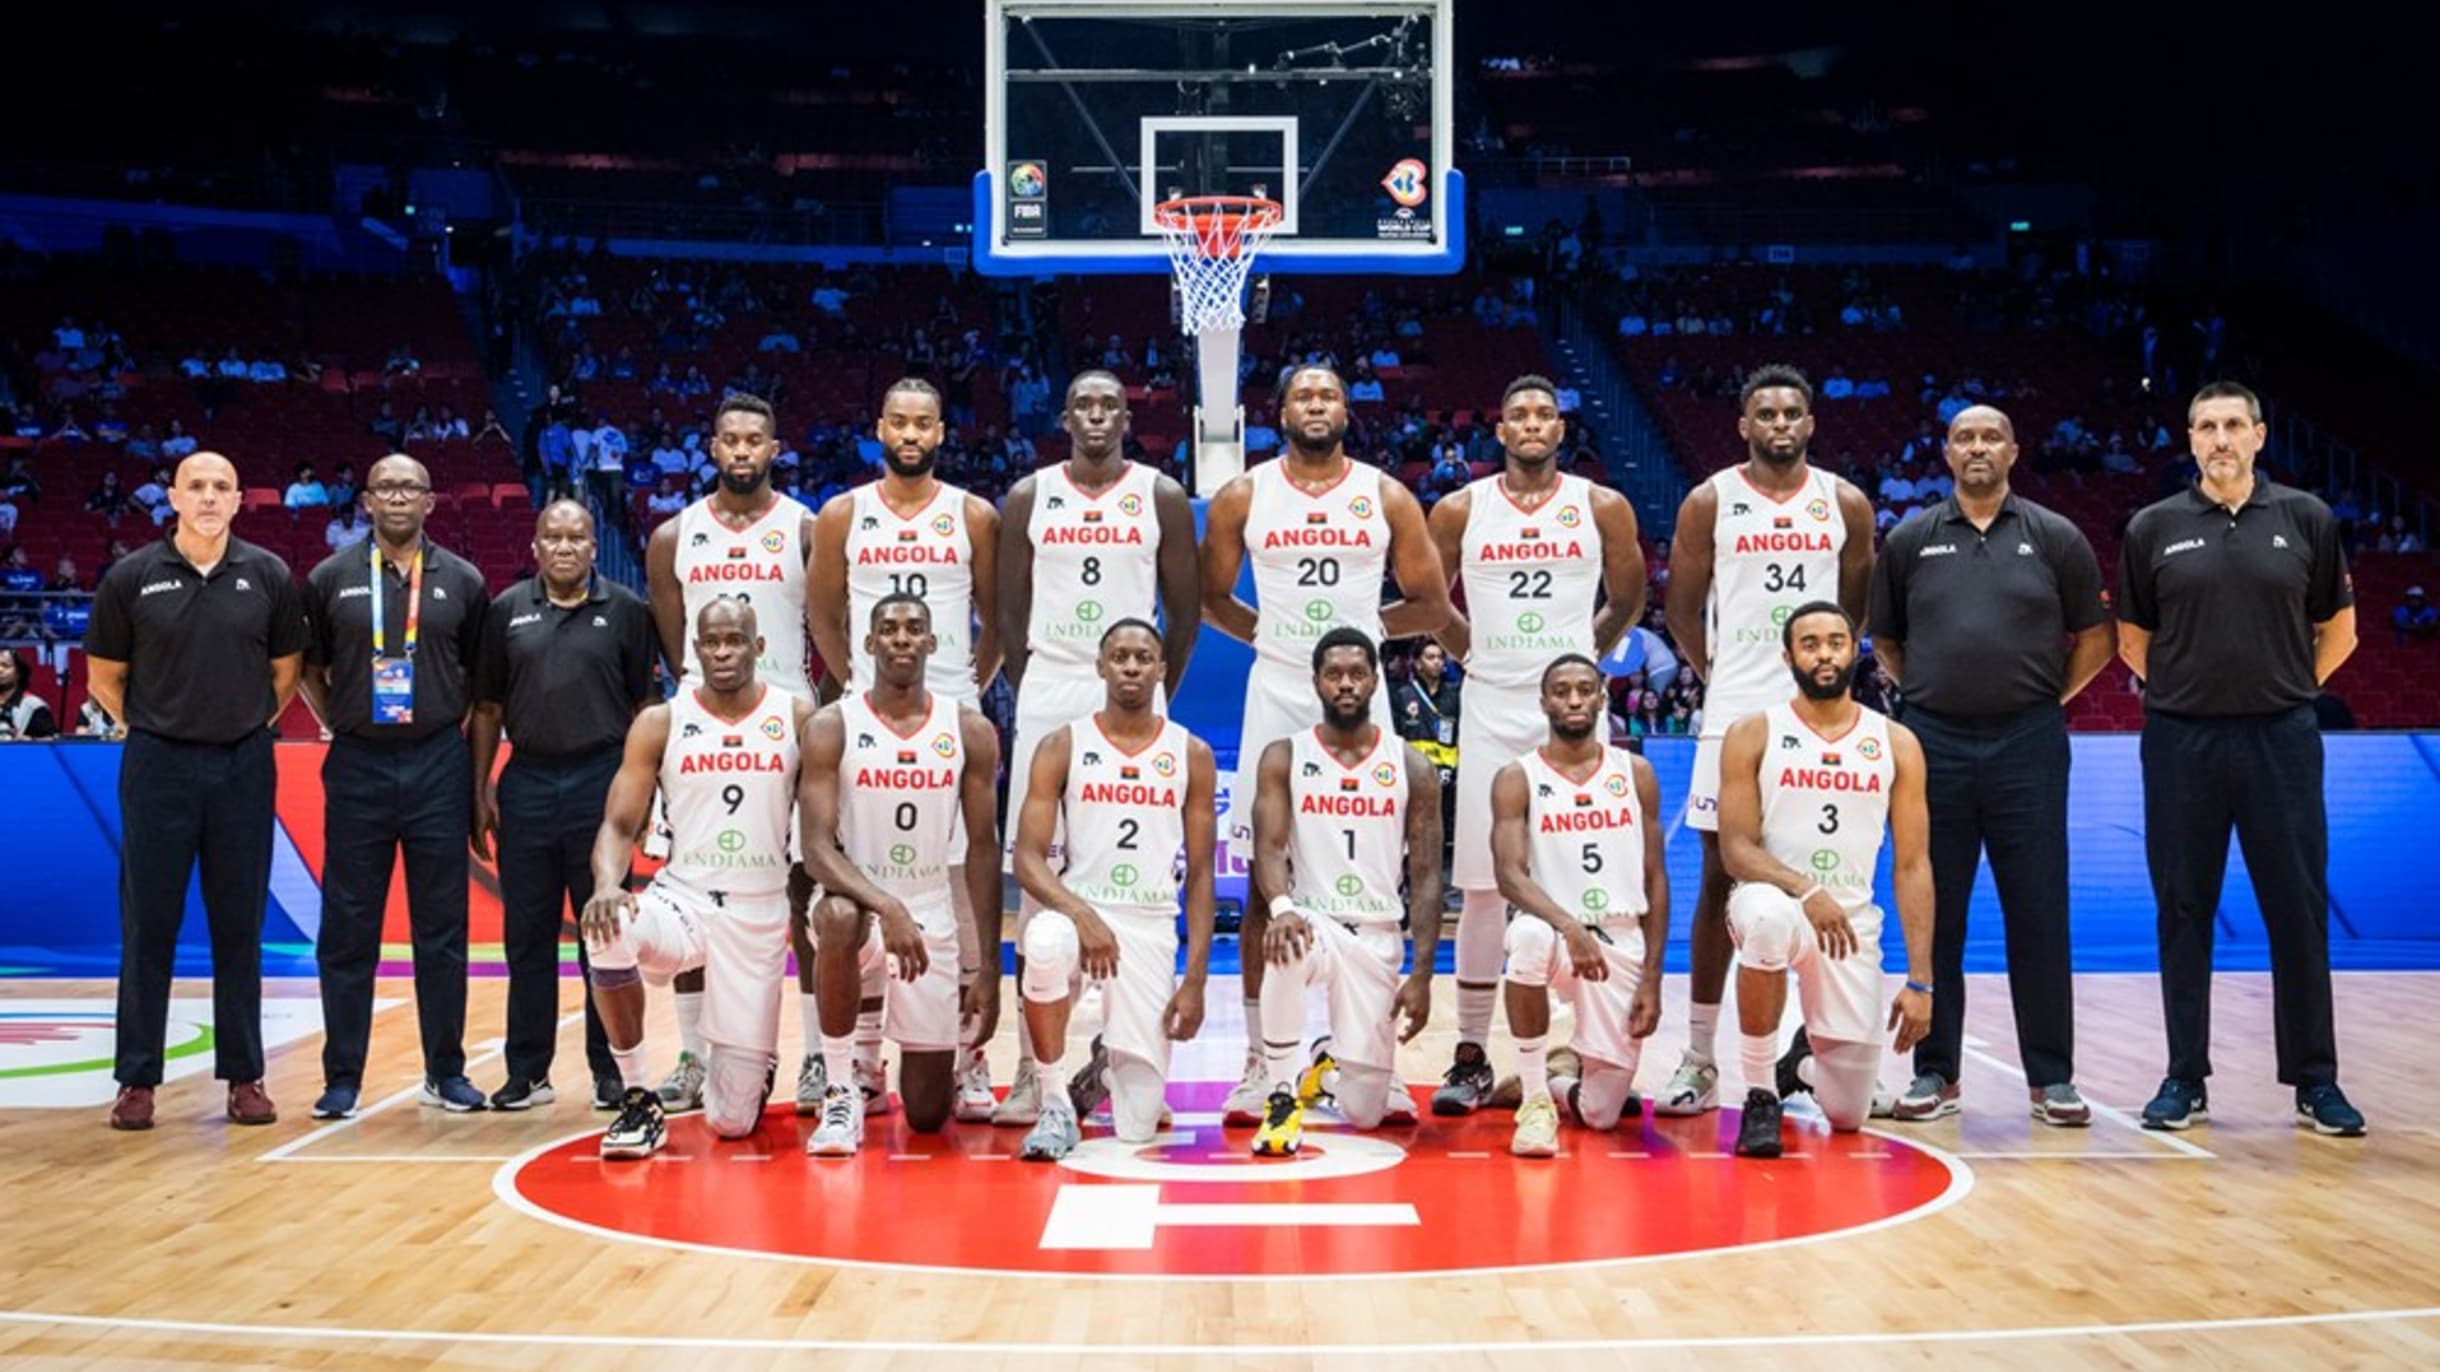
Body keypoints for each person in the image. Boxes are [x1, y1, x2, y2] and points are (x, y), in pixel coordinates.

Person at [1200, 363, 1450, 1125]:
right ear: (1279, 413)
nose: (1317, 405)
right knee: (1260, 877)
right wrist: (1280, 642)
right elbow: (1212, 599)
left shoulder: (1385, 495)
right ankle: (1258, 1061)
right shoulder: (1247, 493)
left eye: (1329, 395)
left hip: (1356, 695)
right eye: (1303, 396)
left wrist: (1364, 640)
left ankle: (1375, 1052)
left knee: (1380, 862)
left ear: (1347, 410)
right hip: (1276, 689)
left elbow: (1433, 603)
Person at [2118, 381, 2365, 1137]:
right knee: (2183, 909)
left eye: (2233, 425)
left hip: (2281, 738)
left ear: (2259, 435)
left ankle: (2316, 1082)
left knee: (2296, 909)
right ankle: (2183, 1078)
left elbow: (2342, 630)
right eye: (2206, 427)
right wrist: (2192, 694)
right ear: (2189, 440)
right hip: (2181, 741)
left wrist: (2288, 689)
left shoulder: (2306, 519)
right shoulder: (2152, 527)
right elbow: (2133, 640)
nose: (2220, 438)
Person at [1867, 405, 2115, 1125]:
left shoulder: (2055, 537)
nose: (1977, 447)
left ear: (2013, 449)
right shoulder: (1912, 538)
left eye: (1990, 437)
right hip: (1933, 743)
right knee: (1933, 914)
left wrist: (2045, 697)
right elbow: (1887, 639)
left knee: (2038, 909)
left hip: (2028, 743)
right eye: (1964, 437)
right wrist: (1928, 694)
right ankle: (1934, 1073)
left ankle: (2052, 1078)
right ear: (1946, 453)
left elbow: (2095, 638)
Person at [1657, 364, 1876, 1117]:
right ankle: (1698, 1055)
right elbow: (1681, 607)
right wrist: (1721, 675)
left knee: (1822, 872)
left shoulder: (1844, 501)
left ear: (1810, 423)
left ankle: (1810, 1050)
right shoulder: (1710, 500)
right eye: (1765, 413)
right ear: (1743, 425)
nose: (1780, 423)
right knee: (1721, 876)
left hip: (1815, 710)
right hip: (1734, 706)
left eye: (1792, 412)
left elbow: (1853, 607)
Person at [1425, 372, 1646, 1113]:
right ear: (1500, 429)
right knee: (1485, 889)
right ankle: (1471, 1055)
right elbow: (1431, 599)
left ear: (1560, 428)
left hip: (1574, 708)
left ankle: (1589, 1048)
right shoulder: (1461, 509)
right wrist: (1468, 651)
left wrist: (1584, 655)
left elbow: (1631, 595)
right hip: (1492, 701)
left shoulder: (1601, 506)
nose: (1530, 423)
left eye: (1544, 413)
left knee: (1595, 886)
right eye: (1517, 413)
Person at [989, 370, 1199, 1126]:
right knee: (1039, 873)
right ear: (1065, 414)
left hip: (1138, 680)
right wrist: (1035, 672)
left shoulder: (1161, 494)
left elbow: (1185, 607)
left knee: (1142, 873)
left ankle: (1122, 1056)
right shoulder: (1029, 494)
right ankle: (1026, 1067)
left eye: (1111, 403)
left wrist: (1150, 677)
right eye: (1084, 402)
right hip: (1052, 677)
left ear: (1127, 415)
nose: (1098, 414)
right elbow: (1008, 610)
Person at [86, 452, 308, 1130]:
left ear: (239, 500)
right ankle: (137, 1081)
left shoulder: (267, 574)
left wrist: (235, 727)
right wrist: (159, 728)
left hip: (243, 764)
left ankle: (246, 1077)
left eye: (221, 488)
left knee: (239, 927)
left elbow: (285, 674)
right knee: (148, 926)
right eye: (196, 487)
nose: (209, 498)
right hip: (158, 766)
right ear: (174, 498)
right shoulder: (131, 577)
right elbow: (103, 678)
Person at [809, 377, 1002, 1117]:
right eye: (899, 422)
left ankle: (970, 1055)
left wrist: (964, 687)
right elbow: (826, 616)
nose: (911, 434)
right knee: (854, 882)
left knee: (959, 879)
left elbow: (999, 619)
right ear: (879, 429)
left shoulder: (973, 514)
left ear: (942, 433)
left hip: (949, 712)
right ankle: (856, 1061)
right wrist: (854, 680)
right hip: (867, 714)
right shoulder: (843, 514)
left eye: (924, 424)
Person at [579, 597, 817, 1159]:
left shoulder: (797, 716)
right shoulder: (660, 722)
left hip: (757, 913)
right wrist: (609, 884)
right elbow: (617, 824)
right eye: (710, 642)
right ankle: (639, 1097)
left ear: (758, 647)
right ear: (695, 649)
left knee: (731, 1124)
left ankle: (753, 1067)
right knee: (607, 928)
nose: (722, 652)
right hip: (682, 899)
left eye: (734, 640)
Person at [298, 454, 492, 1118]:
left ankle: (446, 1071)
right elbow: (309, 669)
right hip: (357, 763)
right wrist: (344, 721)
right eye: (385, 487)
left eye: (410, 487)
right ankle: (342, 1077)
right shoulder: (329, 577)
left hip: (438, 758)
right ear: (366, 499)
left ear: (431, 502)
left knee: (442, 927)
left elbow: (476, 674)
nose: (398, 497)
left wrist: (440, 719)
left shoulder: (463, 580)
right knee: (349, 927)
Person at [644, 392, 816, 1116]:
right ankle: (693, 1054)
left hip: (787, 718)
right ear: (711, 448)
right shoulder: (672, 536)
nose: (742, 451)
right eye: (730, 440)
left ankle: (814, 1057)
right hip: (702, 726)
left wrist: (818, 717)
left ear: (774, 449)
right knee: (690, 888)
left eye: (755, 440)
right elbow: (672, 636)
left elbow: (830, 628)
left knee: (805, 889)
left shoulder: (807, 528)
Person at [1716, 602, 1933, 1158]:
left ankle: (1803, 1063)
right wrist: (1806, 891)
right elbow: (1736, 850)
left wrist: (1921, 982)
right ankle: (1761, 1093)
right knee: (1764, 919)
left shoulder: (1896, 742)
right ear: (1789, 656)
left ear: (1853, 651)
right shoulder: (1753, 732)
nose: (1825, 653)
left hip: (1850, 923)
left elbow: (1912, 865)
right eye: (1810, 644)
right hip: (1778, 901)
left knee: (1847, 1113)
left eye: (1836, 641)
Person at [470, 499, 661, 1111]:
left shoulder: (628, 613)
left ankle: (611, 1069)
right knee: (525, 937)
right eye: (552, 537)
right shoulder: (505, 612)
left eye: (576, 536)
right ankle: (527, 1071)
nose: (564, 547)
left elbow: (646, 712)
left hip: (603, 783)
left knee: (603, 937)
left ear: (593, 546)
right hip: (526, 780)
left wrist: (650, 794)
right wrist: (480, 789)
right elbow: (489, 710)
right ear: (535, 547)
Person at [799, 595, 1002, 1154]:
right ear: (868, 644)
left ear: (934, 643)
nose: (902, 638)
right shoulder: (831, 726)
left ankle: (925, 1064)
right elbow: (815, 849)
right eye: (887, 629)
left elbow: (983, 851)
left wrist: (986, 966)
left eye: (915, 628)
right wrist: (886, 906)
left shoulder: (969, 730)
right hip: (857, 898)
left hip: (932, 905)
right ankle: (841, 1088)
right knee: (836, 919)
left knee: (929, 1116)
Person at [1008, 618, 1217, 1160]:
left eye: (1142, 658)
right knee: (1046, 940)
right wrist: (1081, 914)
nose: (1130, 667)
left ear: (1161, 670)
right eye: (1119, 657)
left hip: (1149, 922)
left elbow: (1200, 873)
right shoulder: (1062, 745)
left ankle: (1109, 1061)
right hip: (1082, 911)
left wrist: (1194, 981)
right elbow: (1027, 858)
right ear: (1100, 667)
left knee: (1139, 1125)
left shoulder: (1190, 753)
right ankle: (1054, 1100)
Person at [1246, 627, 1442, 1154]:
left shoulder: (1411, 764)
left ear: (1376, 681)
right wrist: (1283, 906)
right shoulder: (1285, 756)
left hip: (1377, 934)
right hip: (1315, 920)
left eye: (1357, 674)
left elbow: (1426, 875)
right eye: (1334, 675)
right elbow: (1267, 848)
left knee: (1367, 1115)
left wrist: (1423, 971)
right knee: (1285, 945)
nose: (1346, 684)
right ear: (1316, 683)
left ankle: (1328, 1070)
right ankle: (1281, 1096)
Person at [1493, 655, 1668, 1156]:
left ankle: (1555, 1080)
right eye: (1562, 691)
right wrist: (1568, 926)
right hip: (1557, 933)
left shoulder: (1635, 773)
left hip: (1620, 934)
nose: (1573, 699)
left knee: (1600, 1115)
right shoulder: (1517, 777)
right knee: (1525, 937)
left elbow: (1655, 879)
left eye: (1584, 689)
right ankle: (1533, 1099)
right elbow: (1508, 875)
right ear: (1543, 701)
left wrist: (1653, 979)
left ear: (1601, 697)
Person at [0, 648, 58, 739]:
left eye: (6, 666)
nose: (0, 670)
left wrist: (26, 740)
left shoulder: (34, 706)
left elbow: (51, 741)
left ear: (19, 673)